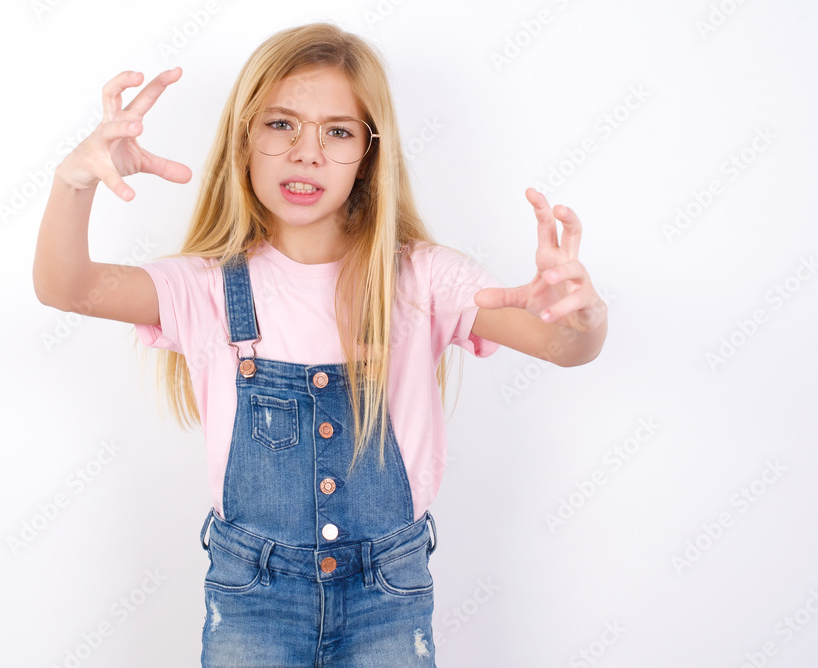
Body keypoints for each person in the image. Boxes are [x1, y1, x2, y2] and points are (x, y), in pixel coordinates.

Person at [33, 21, 607, 667]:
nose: (307, 152)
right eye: (281, 125)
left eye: (337, 132)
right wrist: (73, 182)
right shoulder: (206, 288)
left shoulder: (423, 278)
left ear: (369, 153)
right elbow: (65, 286)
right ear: (243, 138)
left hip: (387, 595)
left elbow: (563, 347)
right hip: (253, 596)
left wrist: (580, 317)